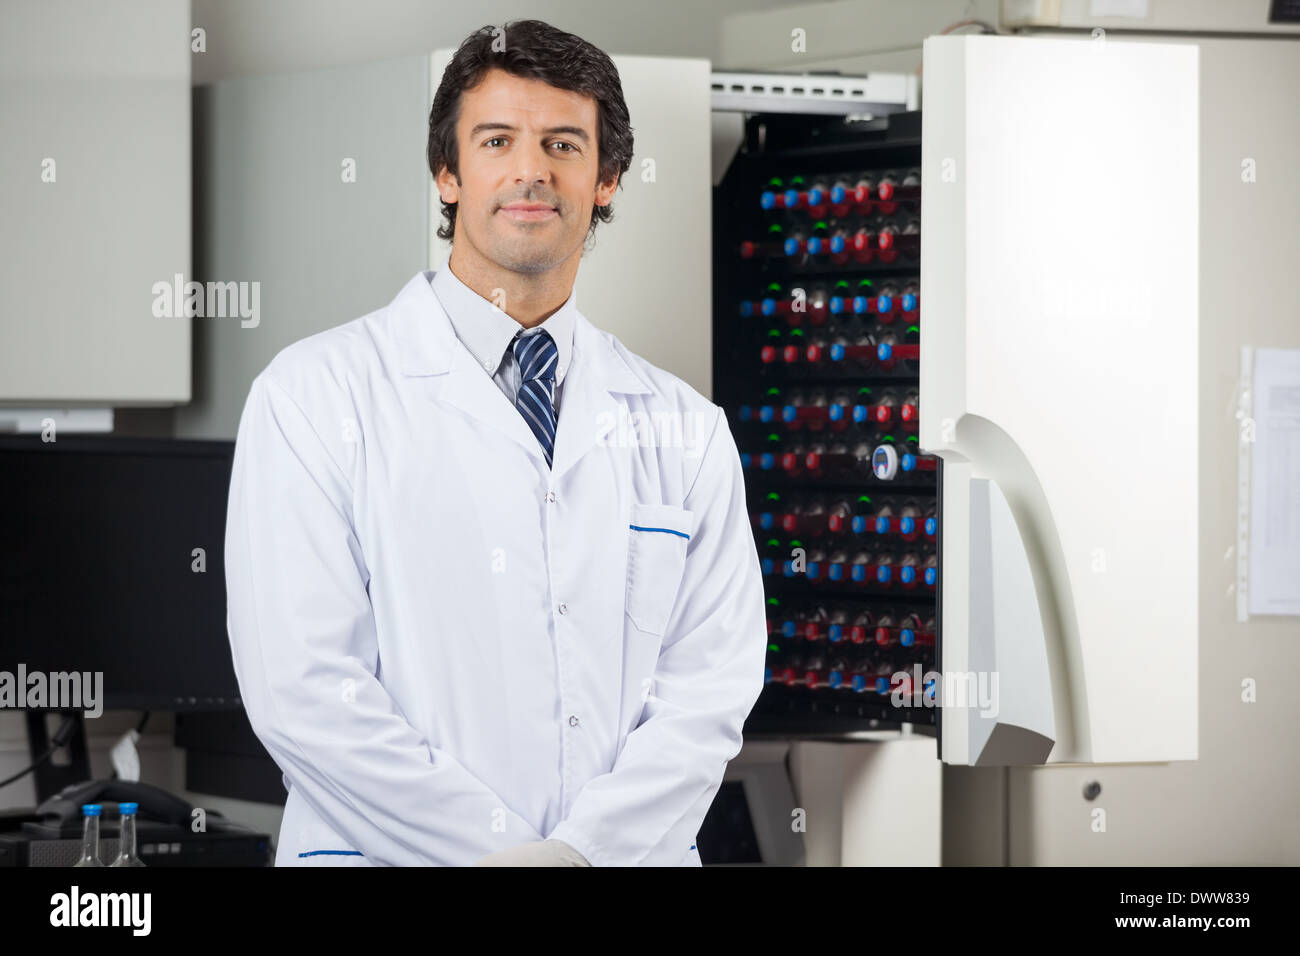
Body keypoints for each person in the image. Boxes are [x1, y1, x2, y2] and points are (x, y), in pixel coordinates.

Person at [223, 19, 766, 867]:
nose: (531, 171)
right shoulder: (313, 398)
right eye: (497, 140)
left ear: (608, 179)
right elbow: (306, 694)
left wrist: (581, 854)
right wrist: (500, 857)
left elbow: (710, 692)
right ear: (447, 173)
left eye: (562, 143)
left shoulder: (684, 428)